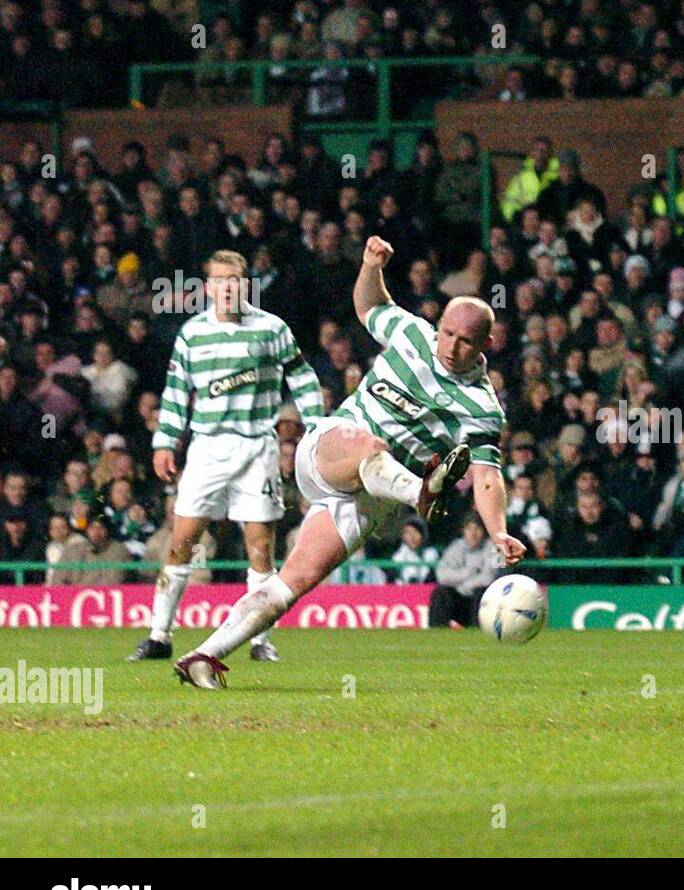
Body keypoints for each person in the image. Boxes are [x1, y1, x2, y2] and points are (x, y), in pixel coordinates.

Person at [173, 237, 525, 689]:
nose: (451, 346)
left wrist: (498, 531)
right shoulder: (413, 332)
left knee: (293, 582)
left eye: (465, 341)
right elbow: (368, 305)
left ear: (486, 344)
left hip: (369, 498)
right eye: (448, 333)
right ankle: (420, 490)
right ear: (439, 325)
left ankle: (204, 656)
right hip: (332, 450)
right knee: (371, 445)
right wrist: (370, 265)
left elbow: (487, 474)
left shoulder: (480, 404)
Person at [128, 250, 325, 663]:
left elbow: (302, 376)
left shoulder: (272, 329)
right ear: (208, 287)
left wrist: (318, 425)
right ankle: (159, 636)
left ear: (245, 283)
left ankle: (259, 640)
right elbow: (177, 392)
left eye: (235, 279)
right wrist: (164, 442)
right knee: (182, 541)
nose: (228, 287)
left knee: (260, 549)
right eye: (219, 280)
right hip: (207, 449)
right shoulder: (192, 333)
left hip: (257, 447)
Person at [428, 515, 498, 627]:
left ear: (484, 531)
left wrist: (463, 585)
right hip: (461, 599)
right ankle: (436, 633)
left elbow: (488, 578)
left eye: (477, 529)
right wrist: (468, 573)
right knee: (440, 594)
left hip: (483, 602)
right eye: (469, 529)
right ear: (463, 531)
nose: (473, 534)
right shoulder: (456, 547)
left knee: (481, 592)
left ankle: (477, 633)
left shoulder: (493, 548)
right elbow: (442, 576)